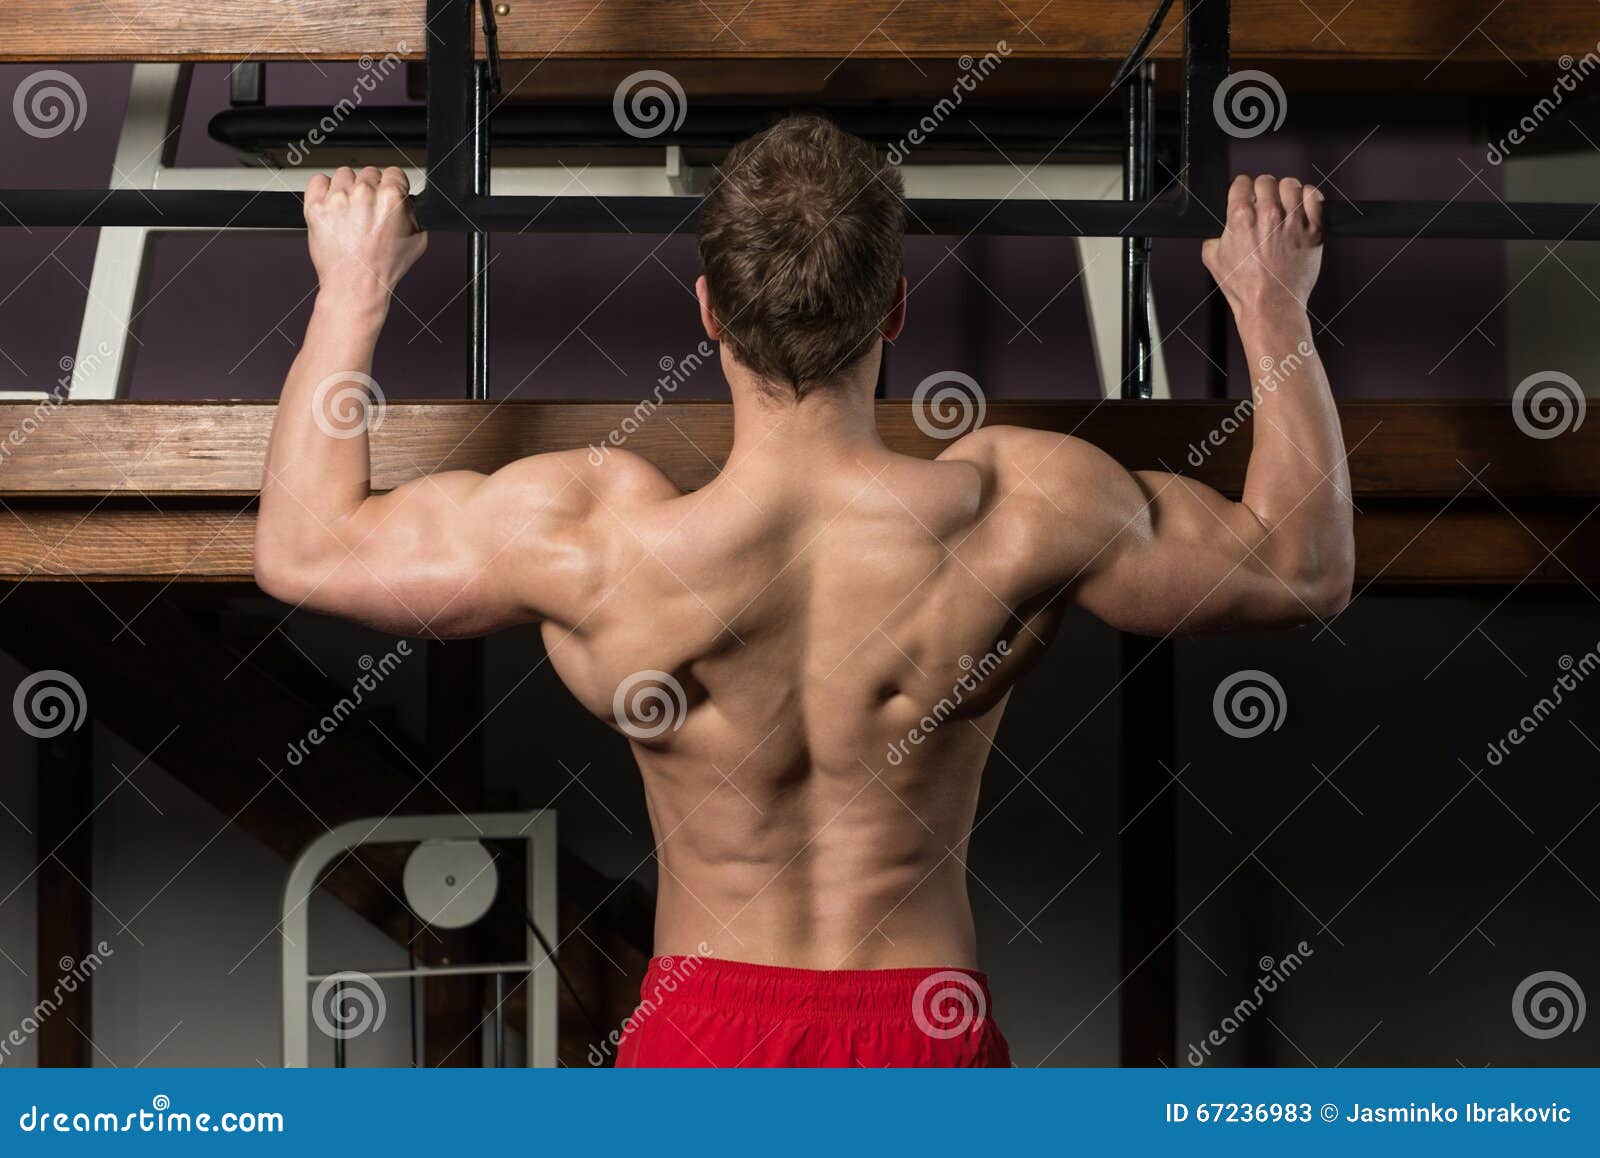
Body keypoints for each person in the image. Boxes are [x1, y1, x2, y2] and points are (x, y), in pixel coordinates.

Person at [255, 114, 1353, 1067]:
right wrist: (1272, 310)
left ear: (709, 313)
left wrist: (352, 289)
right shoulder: (1022, 507)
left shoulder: (597, 538)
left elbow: (305, 550)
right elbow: (1301, 568)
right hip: (919, 1024)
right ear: (894, 311)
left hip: (704, 1032)